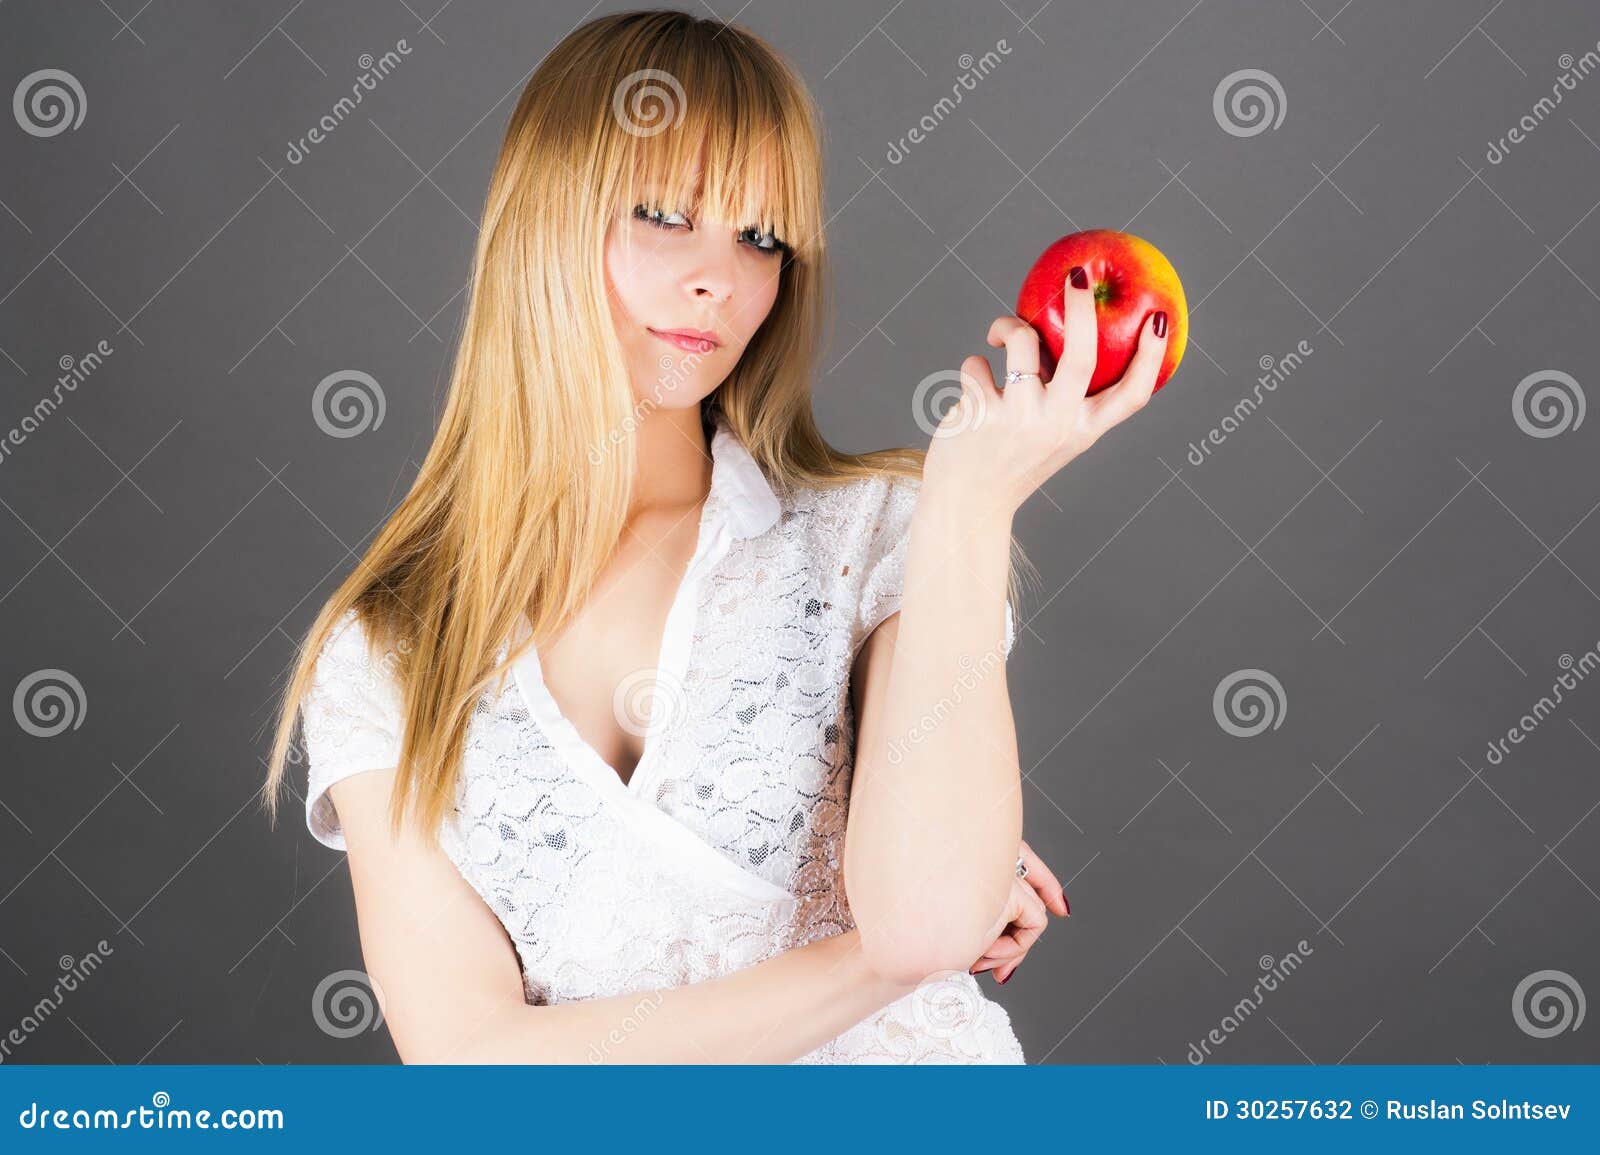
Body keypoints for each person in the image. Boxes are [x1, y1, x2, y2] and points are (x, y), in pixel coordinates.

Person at [260, 7, 1163, 1064]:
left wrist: (970, 503)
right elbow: (471, 1066)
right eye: (663, 215)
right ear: (542, 221)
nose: (719, 278)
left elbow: (922, 926)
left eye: (760, 236)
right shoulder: (384, 653)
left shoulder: (879, 532)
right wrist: (902, 940)